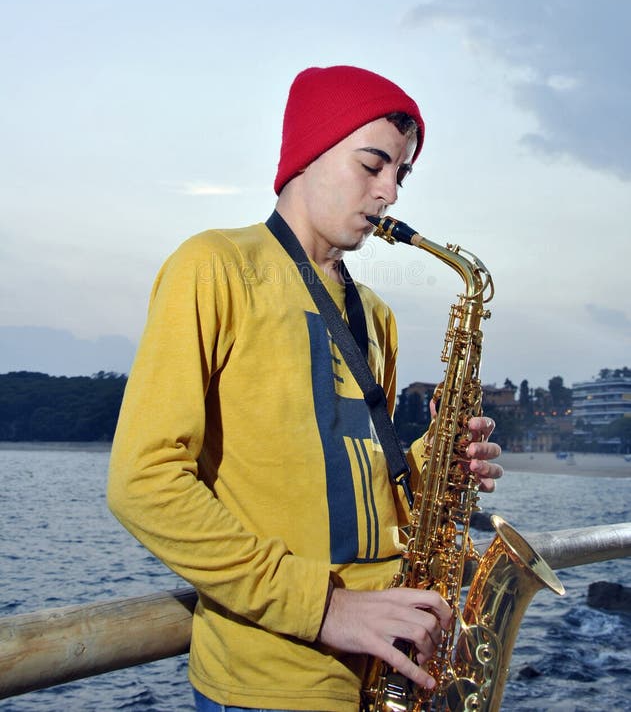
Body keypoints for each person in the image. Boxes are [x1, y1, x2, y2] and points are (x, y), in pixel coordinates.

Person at [107, 64, 503, 712]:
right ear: (309, 152)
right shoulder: (214, 265)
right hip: (272, 681)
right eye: (372, 164)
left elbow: (359, 474)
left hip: (388, 665)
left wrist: (438, 462)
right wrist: (322, 607)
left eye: (400, 173)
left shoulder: (375, 315)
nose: (390, 192)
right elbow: (141, 481)